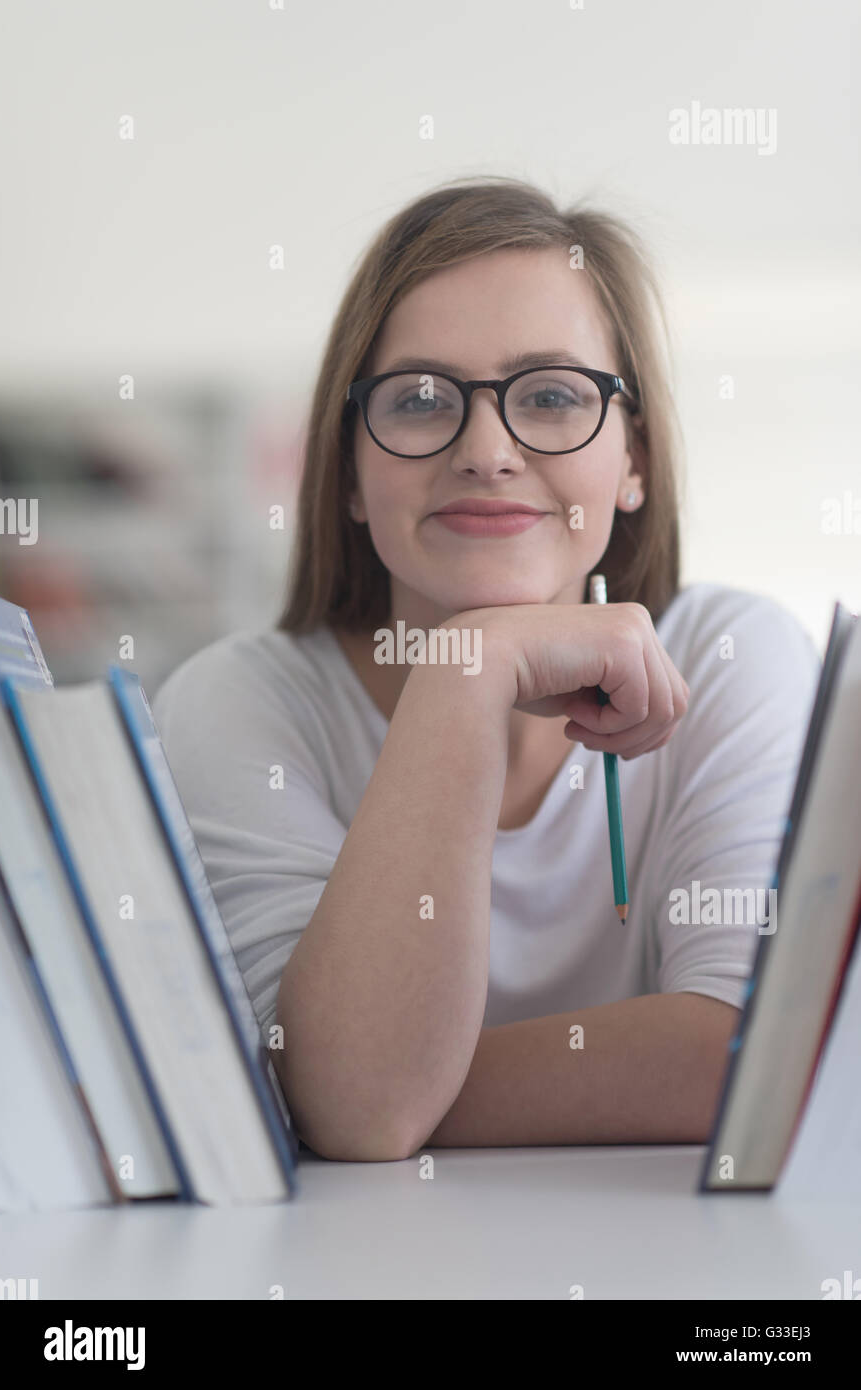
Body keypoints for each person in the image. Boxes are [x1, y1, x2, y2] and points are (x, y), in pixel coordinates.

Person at [152, 176, 820, 1162]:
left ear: (634, 457)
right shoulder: (239, 707)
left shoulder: (734, 657)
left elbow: (747, 1054)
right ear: (346, 470)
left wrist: (360, 1088)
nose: (487, 450)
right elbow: (355, 1107)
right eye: (420, 400)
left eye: (551, 395)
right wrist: (468, 672)